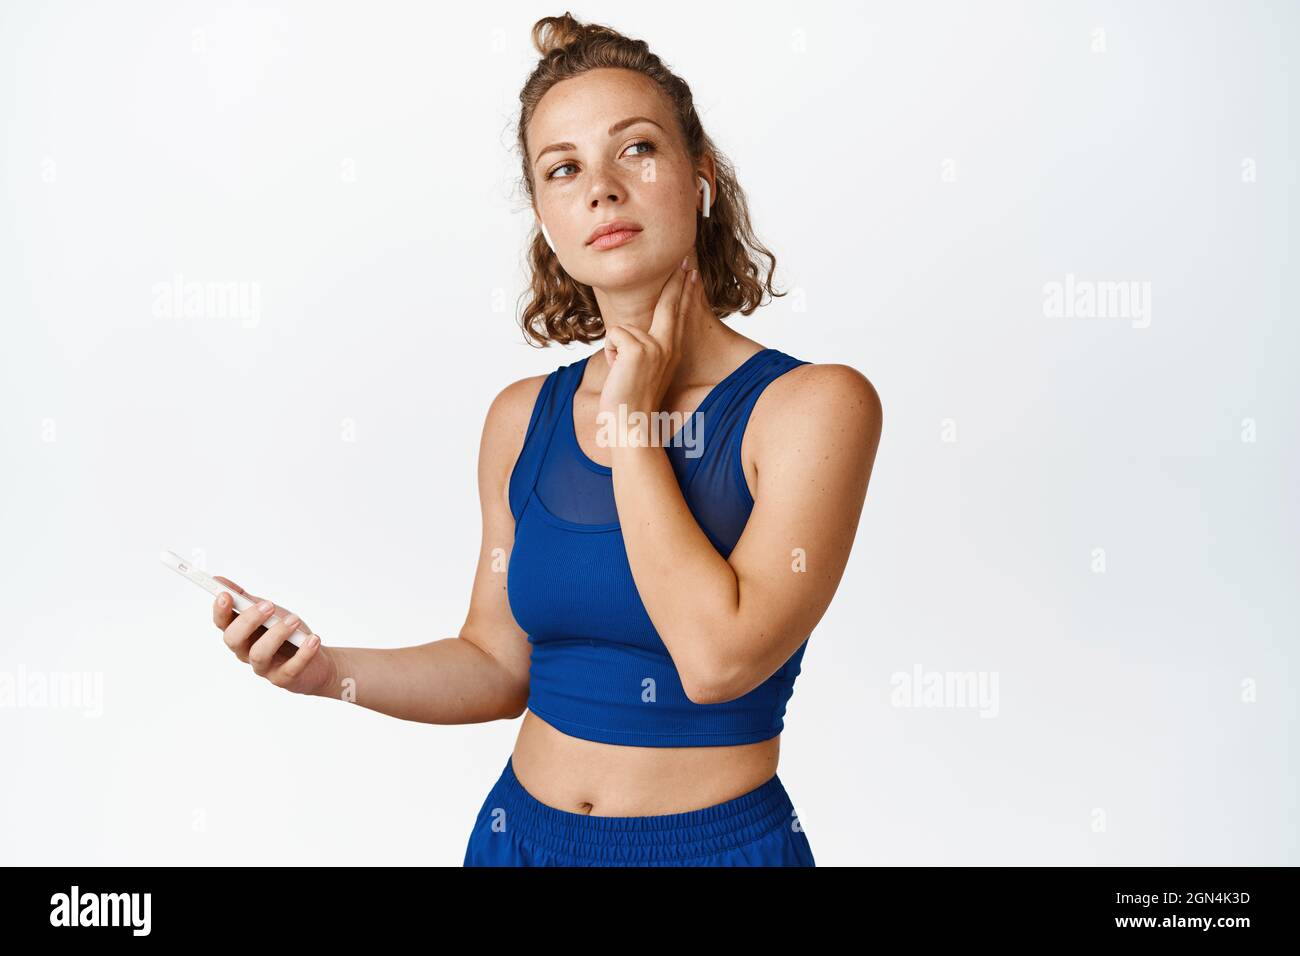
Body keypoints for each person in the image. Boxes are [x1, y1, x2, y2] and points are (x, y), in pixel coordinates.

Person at [209, 12, 882, 867]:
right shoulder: (520, 418)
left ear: (700, 177)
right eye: (563, 170)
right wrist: (327, 670)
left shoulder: (814, 406)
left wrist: (634, 426)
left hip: (710, 850)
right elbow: (496, 664)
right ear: (547, 222)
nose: (600, 187)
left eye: (636, 149)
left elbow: (717, 663)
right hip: (518, 839)